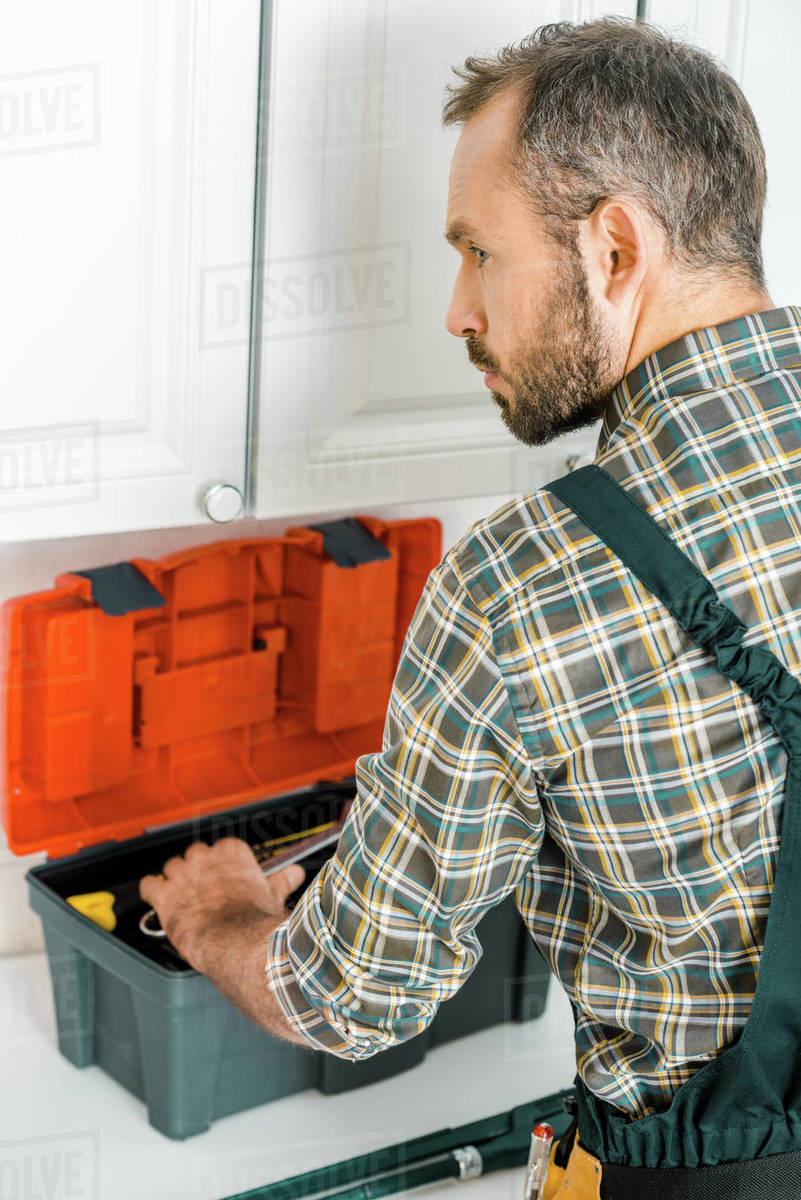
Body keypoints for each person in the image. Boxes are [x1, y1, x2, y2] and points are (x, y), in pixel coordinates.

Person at [141, 17, 801, 1196]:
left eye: (477, 253)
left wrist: (221, 914)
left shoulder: (520, 585)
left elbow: (348, 996)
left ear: (612, 249)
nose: (456, 309)